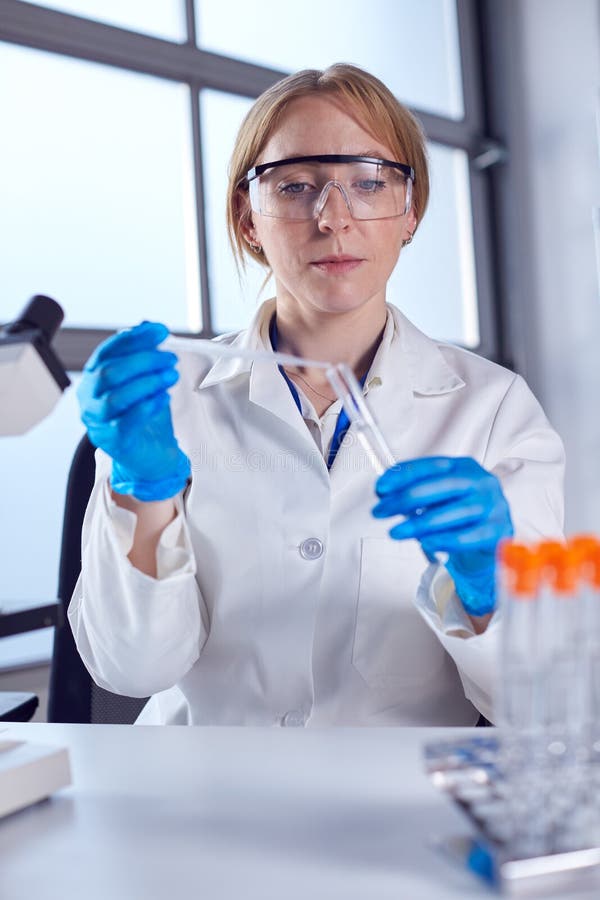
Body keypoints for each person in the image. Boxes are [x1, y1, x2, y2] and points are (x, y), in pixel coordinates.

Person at [70, 63, 564, 726]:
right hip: (199, 796)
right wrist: (142, 490)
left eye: (368, 183)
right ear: (248, 217)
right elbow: (129, 670)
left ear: (409, 212)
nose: (335, 219)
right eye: (297, 186)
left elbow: (538, 707)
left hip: (399, 806)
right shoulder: (165, 403)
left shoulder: (493, 409)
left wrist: (487, 587)